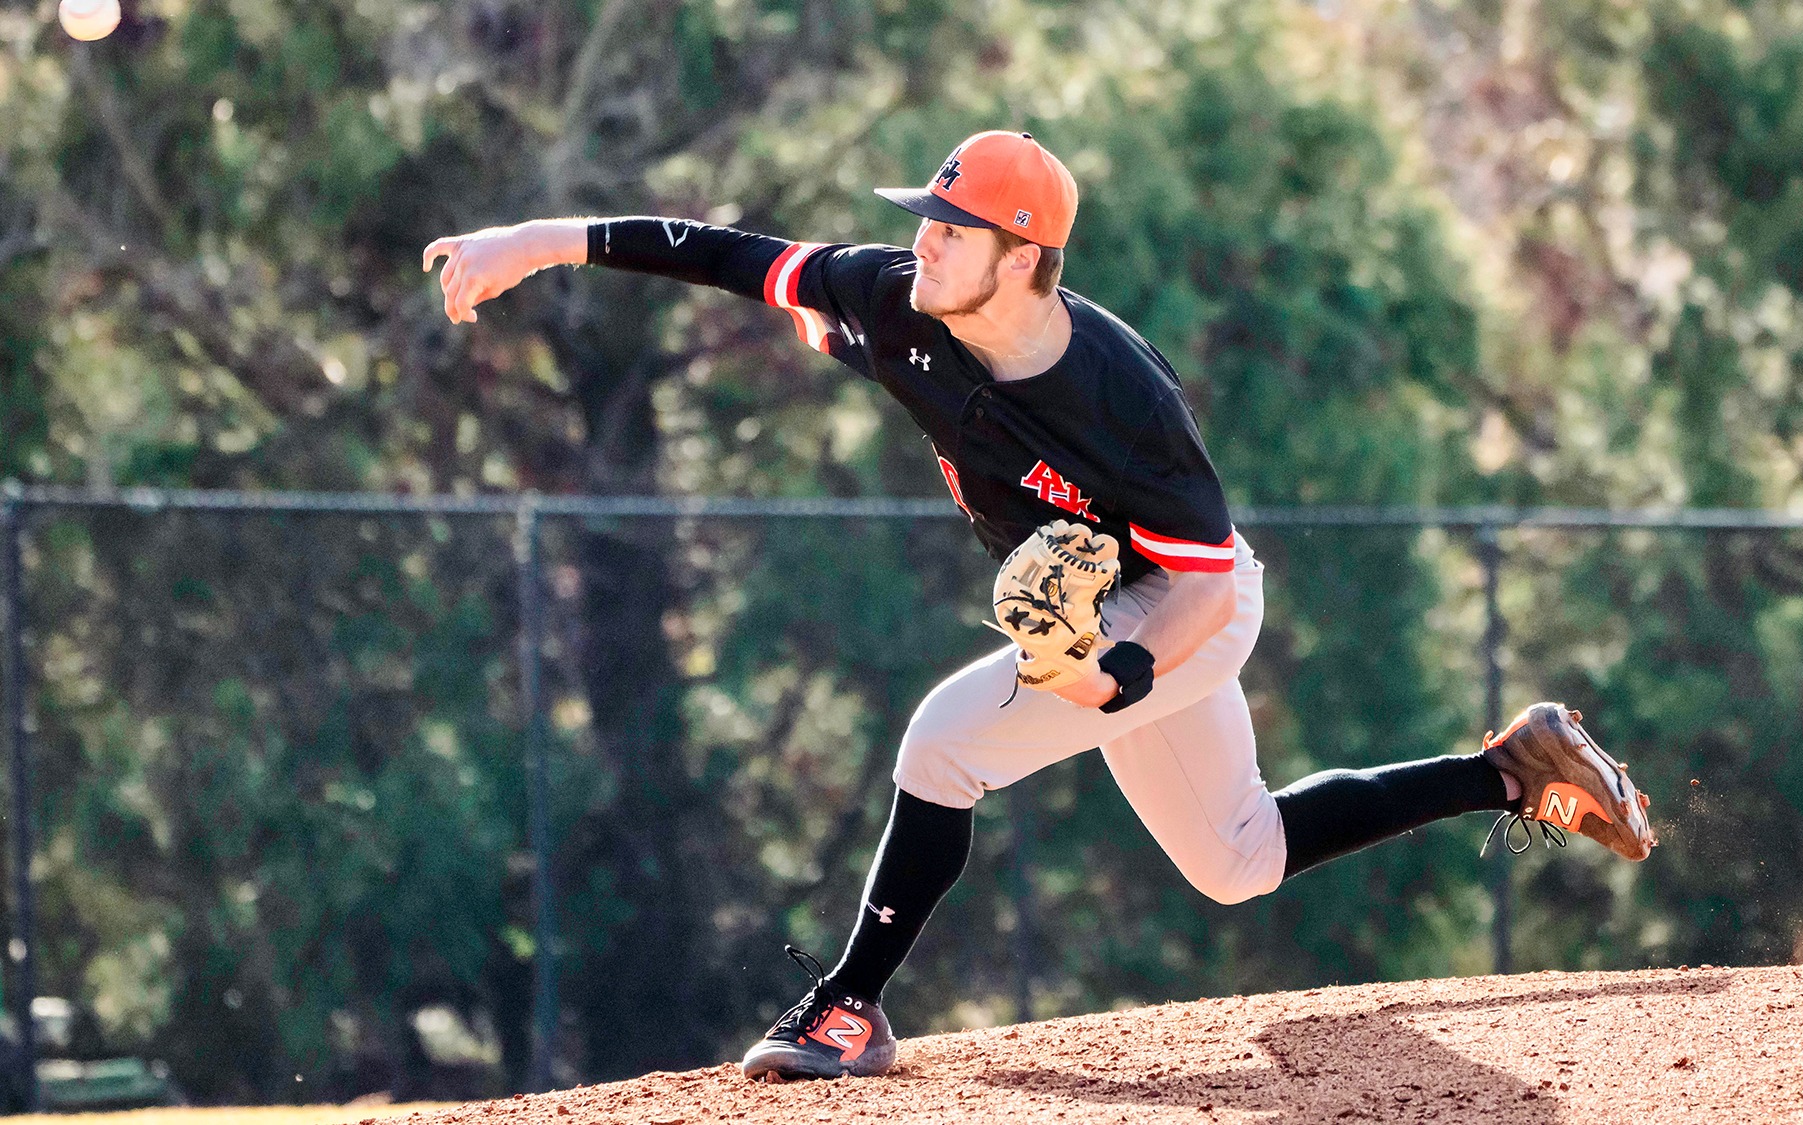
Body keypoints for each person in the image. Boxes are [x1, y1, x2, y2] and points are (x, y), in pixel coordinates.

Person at [422, 130, 1657, 1084]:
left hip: (1180, 607)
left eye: (952, 232)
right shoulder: (893, 300)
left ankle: (848, 1005)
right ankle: (1506, 770)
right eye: (927, 224)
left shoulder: (1121, 399)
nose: (925, 246)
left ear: (1022, 258)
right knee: (1237, 862)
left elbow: (1205, 582)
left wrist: (1110, 677)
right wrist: (544, 239)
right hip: (1098, 619)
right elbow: (728, 256)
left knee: (942, 746)